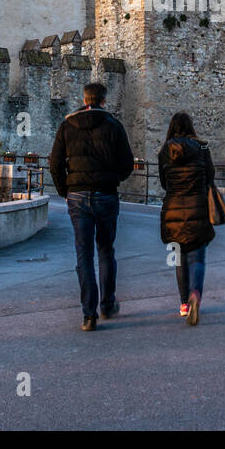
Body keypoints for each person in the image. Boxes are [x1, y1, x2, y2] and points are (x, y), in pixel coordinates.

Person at [48, 81, 134, 332]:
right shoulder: (114, 125)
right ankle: (107, 304)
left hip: (76, 195)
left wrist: (65, 190)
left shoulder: (67, 125)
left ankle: (88, 315)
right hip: (106, 195)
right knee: (106, 250)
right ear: (104, 100)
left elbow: (55, 164)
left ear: (84, 99)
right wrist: (112, 179)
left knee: (84, 255)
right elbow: (127, 164)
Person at [157, 112, 215, 326]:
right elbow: (210, 176)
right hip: (197, 207)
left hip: (173, 209)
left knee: (179, 259)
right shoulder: (202, 148)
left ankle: (183, 304)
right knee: (197, 257)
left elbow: (164, 183)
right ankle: (196, 294)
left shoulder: (164, 151)